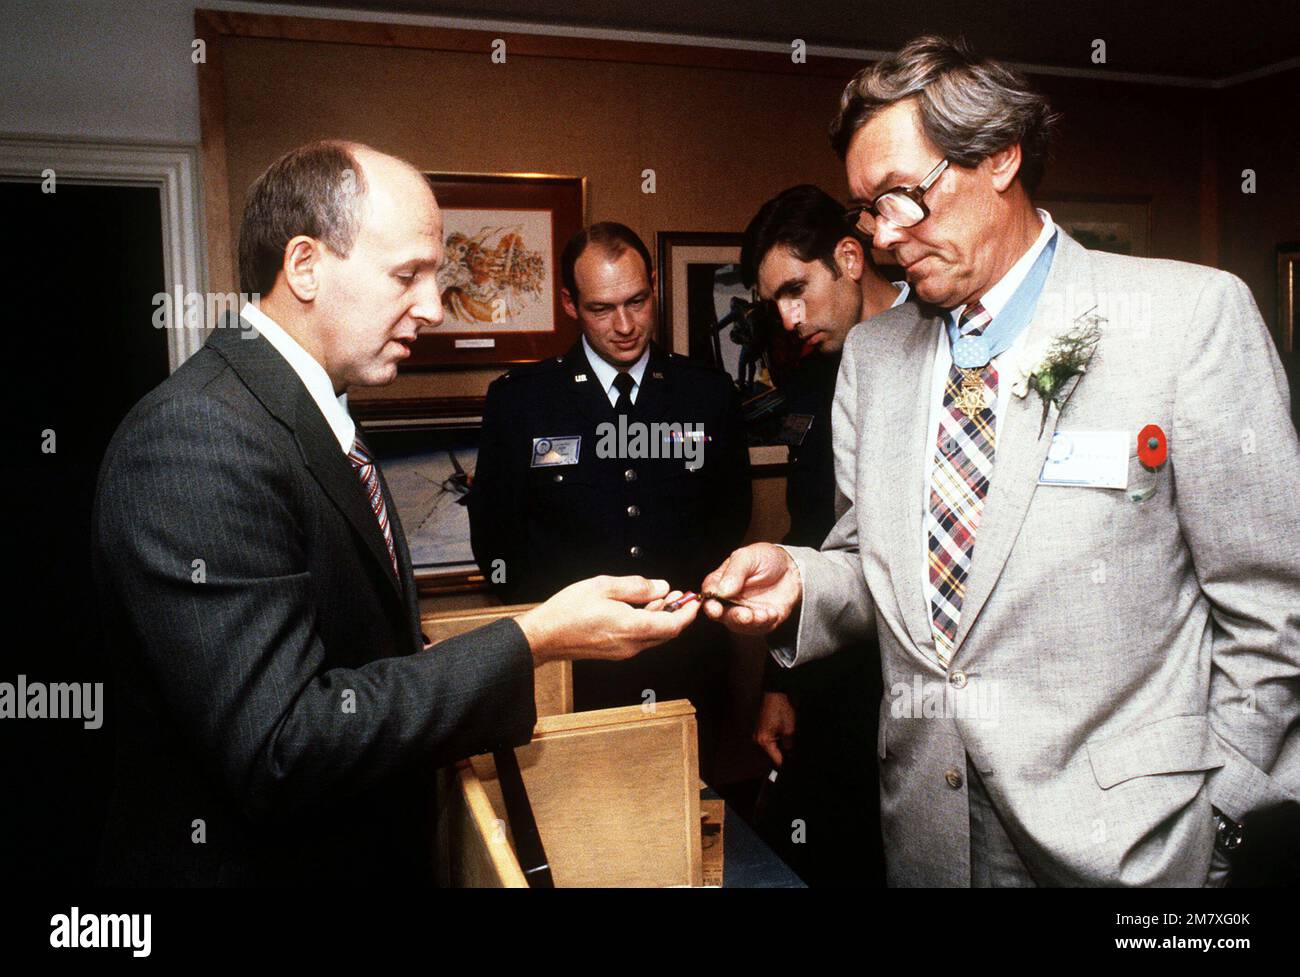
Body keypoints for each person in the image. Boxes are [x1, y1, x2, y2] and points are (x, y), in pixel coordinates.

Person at [703, 36, 1300, 887]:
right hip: (930, 833)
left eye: (903, 196)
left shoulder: (1185, 320)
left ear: (1000, 157)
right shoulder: (874, 358)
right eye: (868, 210)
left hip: (1134, 847)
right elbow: (874, 565)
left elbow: (1274, 606)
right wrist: (801, 580)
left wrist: (1225, 820)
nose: (885, 237)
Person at [91, 142, 699, 886]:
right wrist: (533, 637)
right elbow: (282, 746)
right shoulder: (198, 437)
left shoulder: (315, 414)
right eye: (407, 275)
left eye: (436, 277)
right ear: (305, 266)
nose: (434, 307)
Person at [468, 222, 750, 776]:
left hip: (686, 663)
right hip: (574, 671)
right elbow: (497, 542)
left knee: (700, 816)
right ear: (570, 304)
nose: (624, 326)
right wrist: (553, 632)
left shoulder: (707, 393)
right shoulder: (522, 403)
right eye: (601, 309)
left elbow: (730, 515)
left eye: (637, 302)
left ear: (653, 287)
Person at [740, 184, 908, 885]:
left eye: (796, 290)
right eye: (774, 301)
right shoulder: (812, 380)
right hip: (839, 674)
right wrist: (780, 682)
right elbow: (808, 533)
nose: (788, 317)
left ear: (850, 258)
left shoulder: (942, 340)